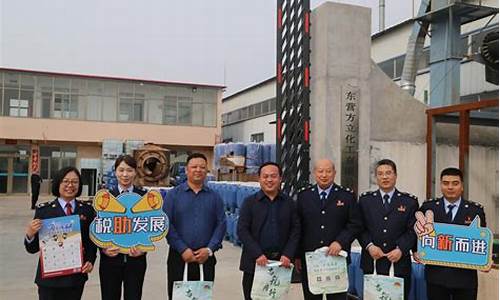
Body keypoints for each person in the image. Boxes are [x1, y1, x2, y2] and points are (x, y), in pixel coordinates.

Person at [24, 166, 97, 300]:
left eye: (75, 182)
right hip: (49, 279)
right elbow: (32, 248)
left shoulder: (87, 210)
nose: (70, 185)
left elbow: (91, 241)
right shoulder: (44, 211)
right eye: (66, 181)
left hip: (75, 278)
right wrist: (30, 234)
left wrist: (90, 261)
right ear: (58, 183)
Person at [296, 159, 363, 300]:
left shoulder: (347, 196)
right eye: (320, 171)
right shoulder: (304, 196)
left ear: (334, 173)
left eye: (328, 171)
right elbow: (297, 228)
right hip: (311, 259)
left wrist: (340, 242)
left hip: (337, 258)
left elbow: (355, 224)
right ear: (314, 173)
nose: (324, 175)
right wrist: (297, 255)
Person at [415, 167, 487, 300]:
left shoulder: (475, 211)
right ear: (441, 185)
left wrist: (485, 260)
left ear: (462, 186)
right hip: (436, 277)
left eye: (455, 183)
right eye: (446, 183)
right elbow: (417, 235)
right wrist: (416, 251)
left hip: (465, 278)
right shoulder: (428, 208)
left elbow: (482, 242)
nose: (450, 187)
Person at [163, 153, 226, 300]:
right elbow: (166, 223)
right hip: (178, 258)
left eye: (202, 167)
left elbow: (221, 224)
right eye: (194, 167)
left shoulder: (214, 197)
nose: (198, 170)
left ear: (206, 171)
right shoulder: (173, 195)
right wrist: (182, 249)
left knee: (202, 296)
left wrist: (209, 249)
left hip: (206, 258)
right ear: (186, 170)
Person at [237, 162, 300, 300]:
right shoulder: (250, 203)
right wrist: (257, 254)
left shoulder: (289, 203)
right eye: (265, 176)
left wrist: (288, 254)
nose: (269, 180)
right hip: (254, 264)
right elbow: (242, 230)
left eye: (273, 176)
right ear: (259, 179)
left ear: (280, 179)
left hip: (280, 264)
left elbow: (296, 231)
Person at [358, 159, 419, 300]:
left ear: (396, 176)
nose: (384, 177)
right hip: (372, 262)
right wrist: (369, 246)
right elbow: (359, 228)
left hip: (399, 264)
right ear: (376, 177)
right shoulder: (365, 201)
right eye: (380, 174)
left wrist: (401, 249)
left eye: (388, 173)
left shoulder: (409, 202)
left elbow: (412, 231)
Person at [99, 155, 148, 300]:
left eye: (129, 170)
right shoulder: (105, 197)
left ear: (135, 172)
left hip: (136, 261)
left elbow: (151, 228)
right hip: (110, 261)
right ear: (115, 172)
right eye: (121, 170)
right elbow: (97, 228)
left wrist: (143, 248)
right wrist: (104, 248)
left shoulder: (144, 197)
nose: (125, 174)